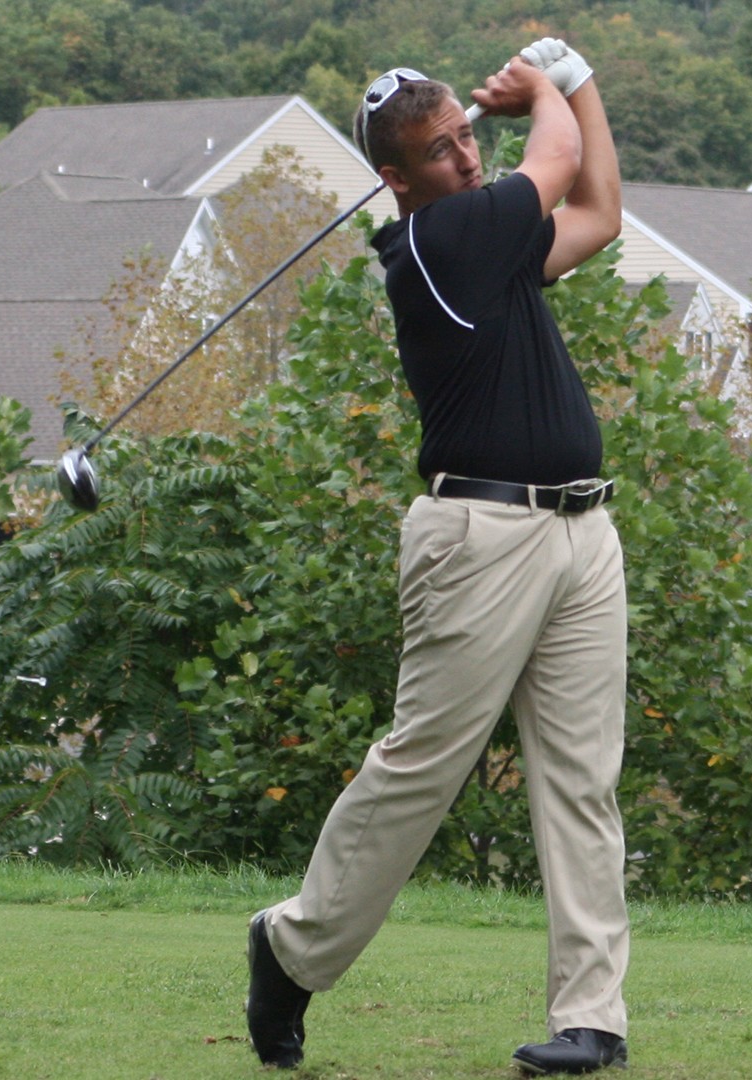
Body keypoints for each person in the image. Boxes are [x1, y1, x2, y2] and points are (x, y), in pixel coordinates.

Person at [243, 38, 630, 1076]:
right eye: (445, 147)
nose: (467, 157)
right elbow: (553, 165)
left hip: (582, 531)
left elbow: (598, 213)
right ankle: (291, 948)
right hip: (480, 539)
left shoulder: (489, 239)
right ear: (398, 178)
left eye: (469, 135)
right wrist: (550, 88)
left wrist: (578, 85)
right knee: (422, 766)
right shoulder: (439, 245)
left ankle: (592, 1017)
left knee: (584, 780)